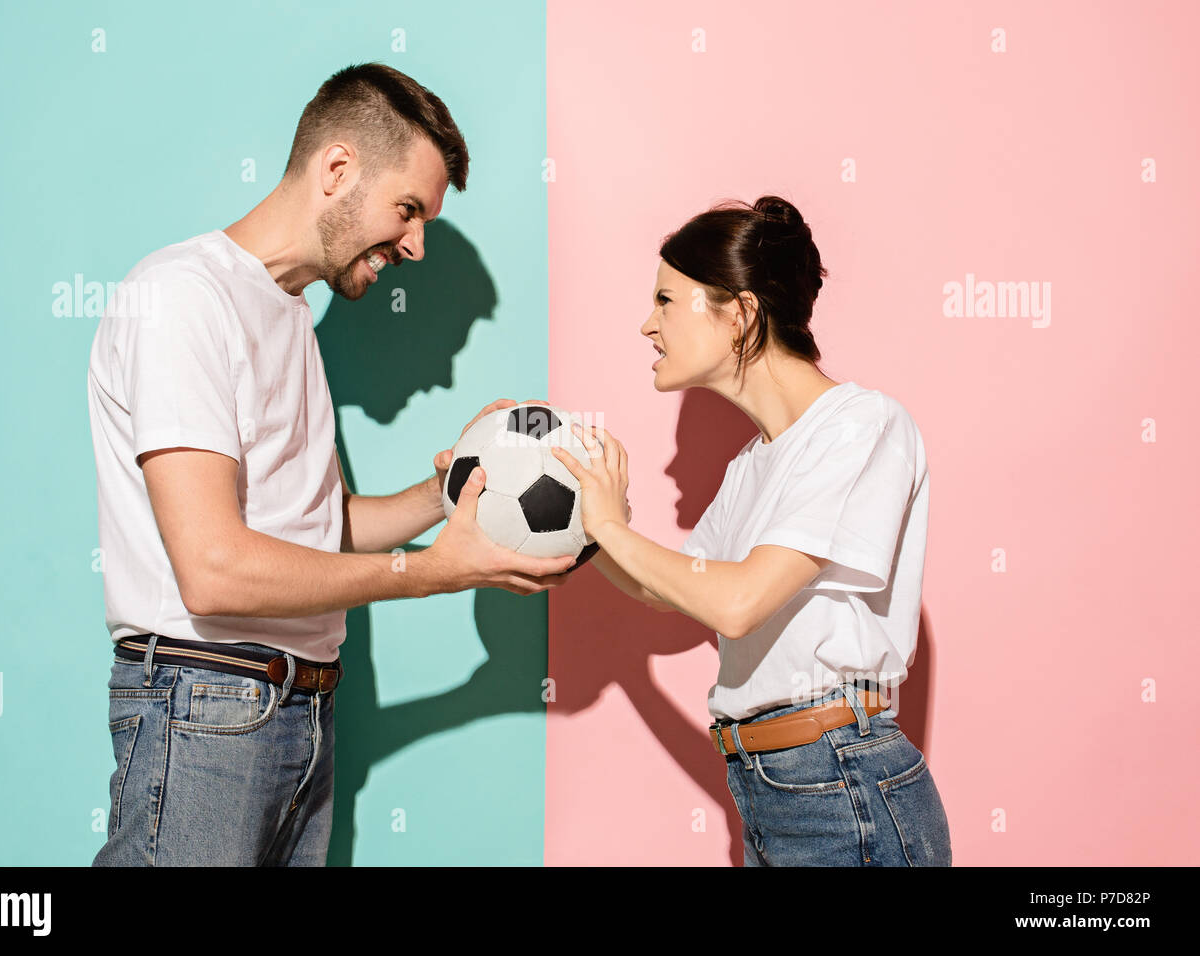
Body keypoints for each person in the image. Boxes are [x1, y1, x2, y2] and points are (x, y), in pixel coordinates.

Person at [87, 62, 577, 866]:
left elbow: (322, 525)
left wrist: (451, 488)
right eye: (409, 211)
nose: (416, 246)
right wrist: (428, 574)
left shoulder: (287, 315)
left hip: (301, 710)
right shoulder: (182, 298)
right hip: (208, 702)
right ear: (338, 169)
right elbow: (214, 569)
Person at [551, 195, 951, 866]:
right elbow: (673, 590)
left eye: (666, 301)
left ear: (738, 314)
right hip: (772, 788)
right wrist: (573, 525)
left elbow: (738, 603)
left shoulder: (862, 425)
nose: (647, 325)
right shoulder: (752, 463)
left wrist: (609, 528)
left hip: (840, 787)